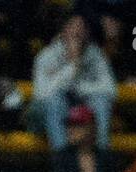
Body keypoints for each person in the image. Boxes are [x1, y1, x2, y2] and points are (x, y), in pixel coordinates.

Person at [29, 13, 116, 160]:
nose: (77, 32)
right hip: (42, 116)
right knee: (55, 102)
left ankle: (102, 157)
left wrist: (78, 87)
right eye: (72, 27)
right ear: (63, 31)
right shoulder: (47, 55)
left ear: (87, 33)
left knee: (101, 102)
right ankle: (63, 162)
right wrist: (73, 65)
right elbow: (43, 94)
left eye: (81, 27)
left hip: (77, 110)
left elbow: (110, 89)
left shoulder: (95, 54)